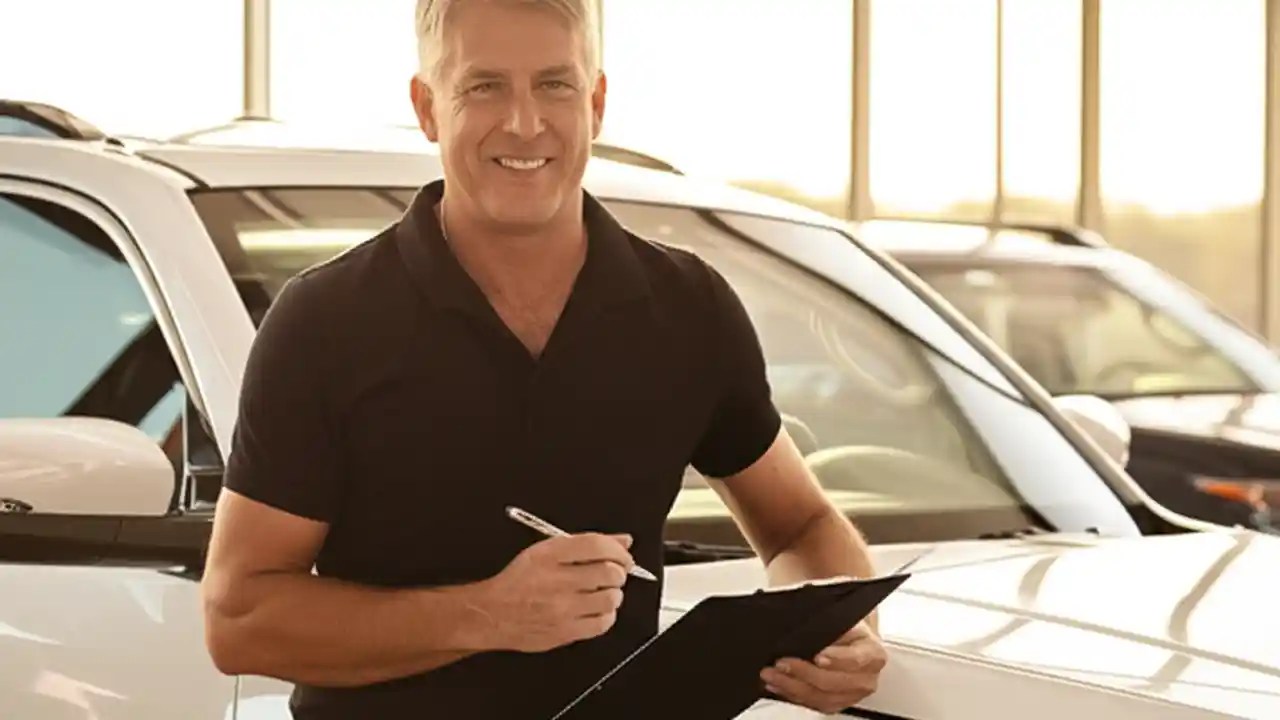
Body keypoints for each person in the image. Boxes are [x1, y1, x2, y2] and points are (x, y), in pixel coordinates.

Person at [199, 0, 888, 717]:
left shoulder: (689, 308)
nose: (524, 123)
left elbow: (802, 527)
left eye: (554, 85)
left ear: (596, 102)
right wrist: (488, 615)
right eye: (484, 86)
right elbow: (238, 618)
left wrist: (842, 629)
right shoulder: (326, 321)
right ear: (428, 107)